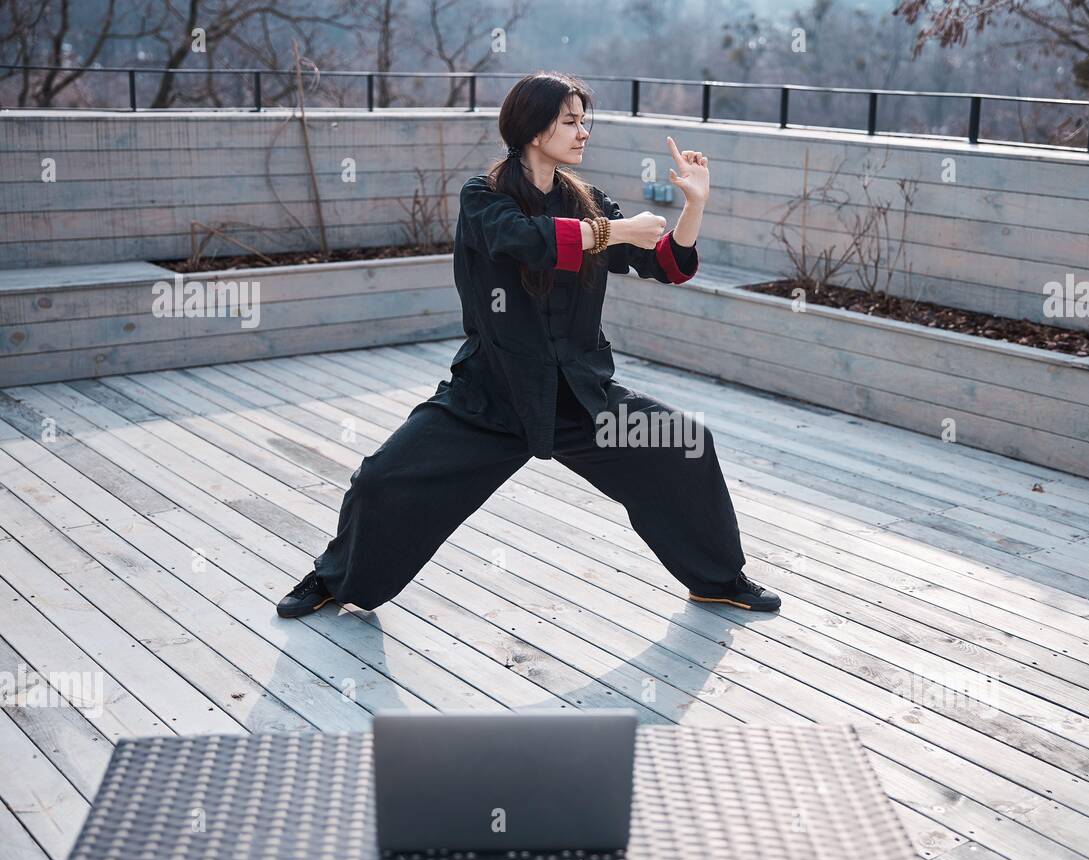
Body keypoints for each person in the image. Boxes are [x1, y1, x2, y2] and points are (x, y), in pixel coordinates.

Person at [277, 71, 781, 618]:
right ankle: (332, 579)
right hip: (491, 398)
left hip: (579, 398)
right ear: (534, 130)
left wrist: (694, 209)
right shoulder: (483, 198)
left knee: (687, 446)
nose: (583, 131)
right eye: (570, 121)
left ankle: (718, 579)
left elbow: (661, 264)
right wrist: (618, 231)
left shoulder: (591, 202)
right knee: (382, 480)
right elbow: (528, 241)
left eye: (584, 121)